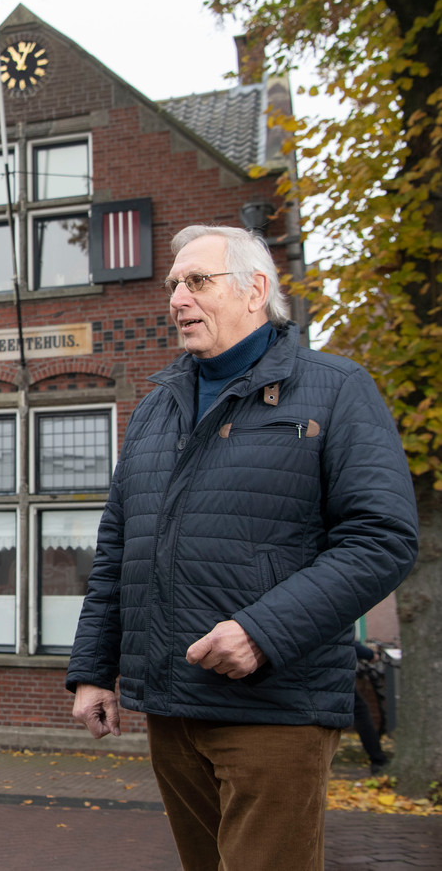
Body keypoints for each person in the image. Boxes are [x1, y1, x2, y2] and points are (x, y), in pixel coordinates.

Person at [66, 225, 417, 870]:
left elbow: (382, 539)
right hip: (171, 707)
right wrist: (93, 668)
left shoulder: (336, 389)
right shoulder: (155, 408)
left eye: (197, 281)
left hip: (276, 709)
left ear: (256, 290)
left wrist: (261, 632)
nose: (177, 298)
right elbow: (119, 546)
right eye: (174, 284)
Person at [352, 641, 390, 774]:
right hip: (327, 673)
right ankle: (378, 759)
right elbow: (342, 635)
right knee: (360, 711)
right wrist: (369, 654)